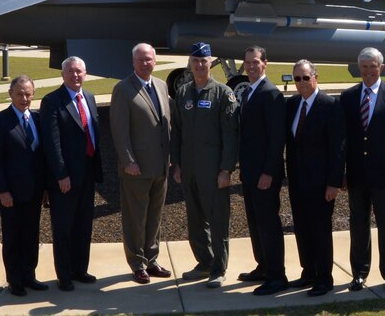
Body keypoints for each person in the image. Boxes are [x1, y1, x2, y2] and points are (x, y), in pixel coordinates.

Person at [340, 47, 385, 294]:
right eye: (364, 67)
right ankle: (359, 273)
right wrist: (341, 171)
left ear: (382, 68)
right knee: (358, 226)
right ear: (358, 68)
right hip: (357, 175)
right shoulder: (347, 97)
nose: (369, 71)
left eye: (373, 66)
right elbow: (343, 140)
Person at [171, 42, 239, 288]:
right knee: (195, 218)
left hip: (213, 169)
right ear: (190, 63)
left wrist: (226, 169)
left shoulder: (223, 93)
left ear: (211, 62)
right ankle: (204, 262)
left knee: (218, 219)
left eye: (204, 61)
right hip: (189, 167)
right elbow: (176, 131)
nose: (200, 65)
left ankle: (219, 269)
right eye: (195, 61)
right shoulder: (183, 92)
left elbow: (230, 135)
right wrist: (176, 164)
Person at [110, 43, 173, 284]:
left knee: (155, 216)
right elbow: (119, 130)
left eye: (149, 59)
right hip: (136, 168)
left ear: (155, 61)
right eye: (140, 59)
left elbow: (165, 124)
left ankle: (152, 258)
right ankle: (137, 263)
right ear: (133, 62)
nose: (145, 63)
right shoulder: (123, 89)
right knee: (135, 217)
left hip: (160, 166)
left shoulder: (161, 85)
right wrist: (128, 161)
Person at [40, 56, 103, 292]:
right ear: (63, 75)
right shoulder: (52, 101)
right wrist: (61, 174)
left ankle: (80, 269)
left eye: (79, 72)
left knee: (83, 225)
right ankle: (64, 275)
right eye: (70, 72)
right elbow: (52, 143)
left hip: (88, 174)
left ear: (85, 73)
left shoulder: (89, 97)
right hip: (65, 178)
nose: (75, 76)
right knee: (64, 227)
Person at [285, 59, 345, 297]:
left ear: (316, 77)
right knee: (302, 228)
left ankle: (324, 278)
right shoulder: (292, 105)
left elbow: (338, 148)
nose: (301, 83)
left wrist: (334, 182)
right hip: (297, 181)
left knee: (320, 230)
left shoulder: (330, 105)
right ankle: (308, 271)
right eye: (296, 78)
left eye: (305, 77)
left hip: (321, 184)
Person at [0, 75, 48, 297]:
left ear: (33, 95)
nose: (24, 98)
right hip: (10, 193)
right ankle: (15, 280)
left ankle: (29, 275)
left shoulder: (39, 119)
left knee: (31, 234)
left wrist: (46, 189)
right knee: (12, 236)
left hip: (34, 191)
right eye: (20, 93)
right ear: (10, 94)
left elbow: (43, 158)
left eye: (28, 94)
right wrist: (2, 190)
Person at [237, 45, 288, 296]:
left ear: (265, 63)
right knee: (255, 223)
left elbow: (277, 138)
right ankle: (264, 266)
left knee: (268, 224)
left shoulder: (270, 93)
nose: (251, 66)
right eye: (247, 62)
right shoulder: (249, 91)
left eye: (255, 62)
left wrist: (269, 171)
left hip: (264, 175)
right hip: (250, 173)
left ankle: (277, 275)